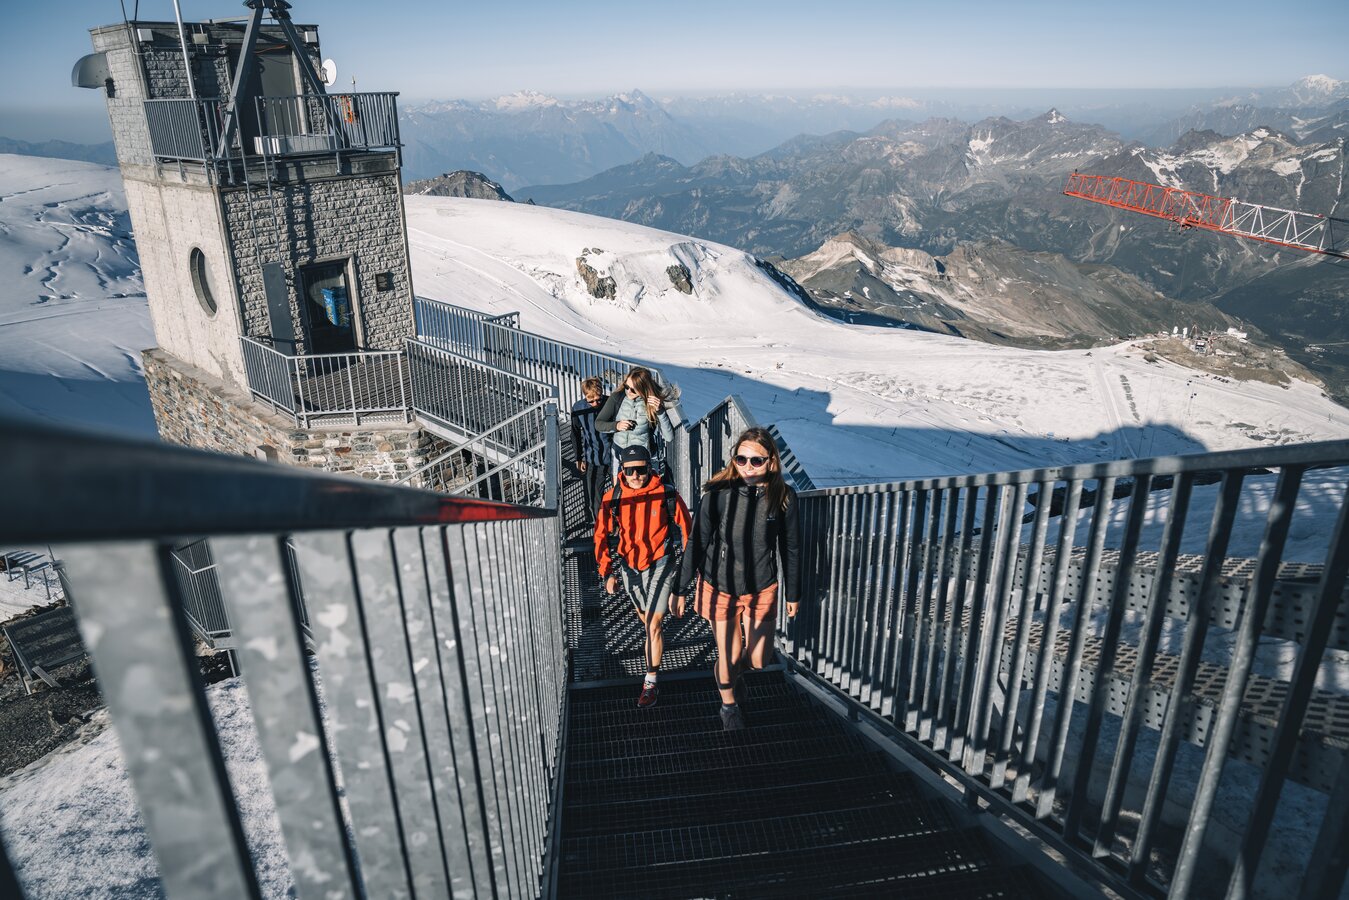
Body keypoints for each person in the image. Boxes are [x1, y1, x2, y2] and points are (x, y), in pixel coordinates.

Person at [675, 427, 800, 731]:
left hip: (763, 588)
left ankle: (732, 675)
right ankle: (728, 706)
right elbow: (697, 542)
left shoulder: (783, 497)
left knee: (758, 660)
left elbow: (791, 546)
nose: (747, 467)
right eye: (741, 459)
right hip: (720, 587)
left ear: (771, 462)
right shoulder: (717, 496)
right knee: (728, 657)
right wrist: (681, 587)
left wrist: (793, 593)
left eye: (756, 461)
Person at [595, 445, 692, 708]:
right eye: (630, 471)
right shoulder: (611, 498)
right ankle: (655, 647)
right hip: (629, 566)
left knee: (653, 624)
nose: (636, 476)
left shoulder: (666, 493)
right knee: (647, 622)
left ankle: (650, 683)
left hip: (661, 561)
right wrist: (607, 571)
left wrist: (687, 569)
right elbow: (601, 537)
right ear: (622, 472)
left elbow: (687, 530)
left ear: (650, 468)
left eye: (641, 469)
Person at [596, 367, 676, 477]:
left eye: (633, 390)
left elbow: (669, 437)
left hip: (643, 459)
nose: (628, 391)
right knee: (620, 491)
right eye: (626, 386)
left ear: (643, 389)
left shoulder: (652, 404)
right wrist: (616, 426)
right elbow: (598, 424)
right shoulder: (617, 397)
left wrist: (660, 411)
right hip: (620, 455)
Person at [570, 377, 613, 526]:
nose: (595, 403)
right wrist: (579, 457)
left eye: (598, 399)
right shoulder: (578, 408)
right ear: (585, 396)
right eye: (591, 400)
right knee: (595, 496)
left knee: (620, 494)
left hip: (614, 457)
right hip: (593, 458)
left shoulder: (610, 403)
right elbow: (575, 433)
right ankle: (601, 526)